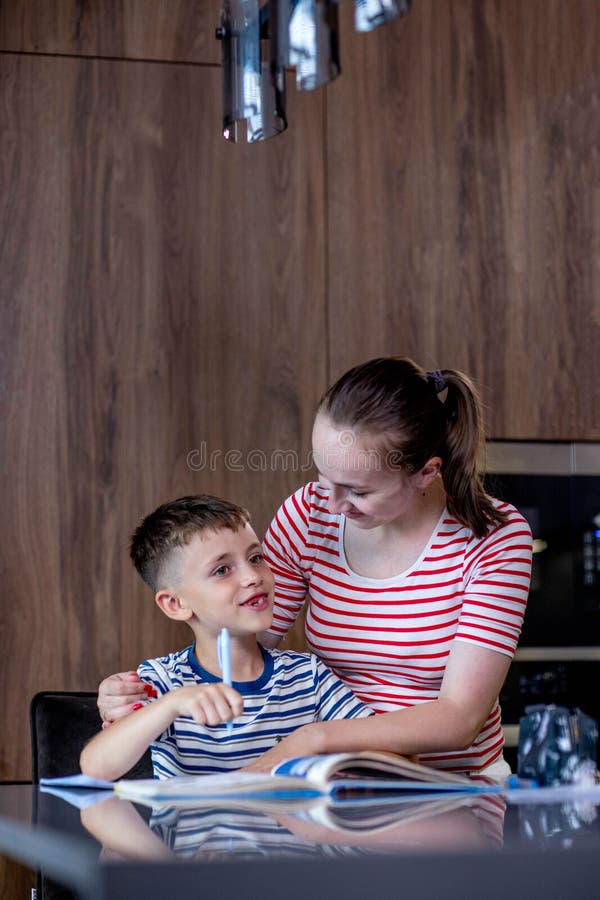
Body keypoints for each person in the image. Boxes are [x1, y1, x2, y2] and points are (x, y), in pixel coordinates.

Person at [97, 357, 532, 779]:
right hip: (324, 783)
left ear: (425, 473)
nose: (333, 505)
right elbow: (239, 642)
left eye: (357, 492)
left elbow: (460, 717)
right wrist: (138, 703)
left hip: (449, 786)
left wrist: (315, 738)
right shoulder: (309, 514)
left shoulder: (495, 536)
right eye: (324, 477)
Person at [80, 495, 371, 782]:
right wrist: (172, 704)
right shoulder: (162, 682)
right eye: (222, 570)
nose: (252, 577)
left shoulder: (309, 676)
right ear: (175, 604)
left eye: (256, 558)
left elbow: (380, 750)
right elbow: (97, 768)